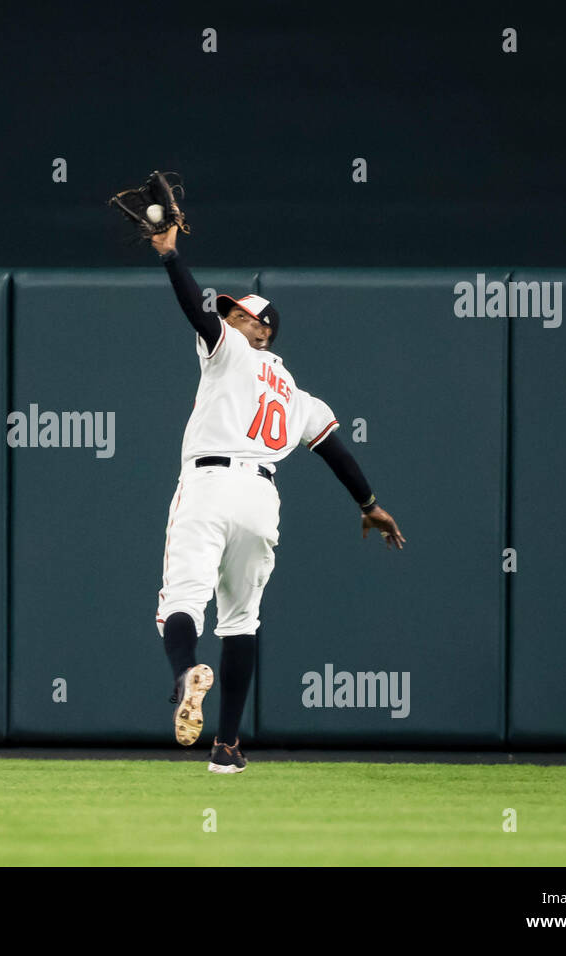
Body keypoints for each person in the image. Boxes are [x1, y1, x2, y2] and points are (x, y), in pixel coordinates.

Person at [151, 223, 405, 774]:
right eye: (231, 313)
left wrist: (171, 256)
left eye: (239, 315)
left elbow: (194, 313)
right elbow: (336, 452)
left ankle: (185, 675)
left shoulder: (231, 353)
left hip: (209, 484)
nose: (228, 318)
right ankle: (227, 747)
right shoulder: (301, 397)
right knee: (241, 620)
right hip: (261, 498)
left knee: (181, 604)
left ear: (262, 332)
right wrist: (369, 505)